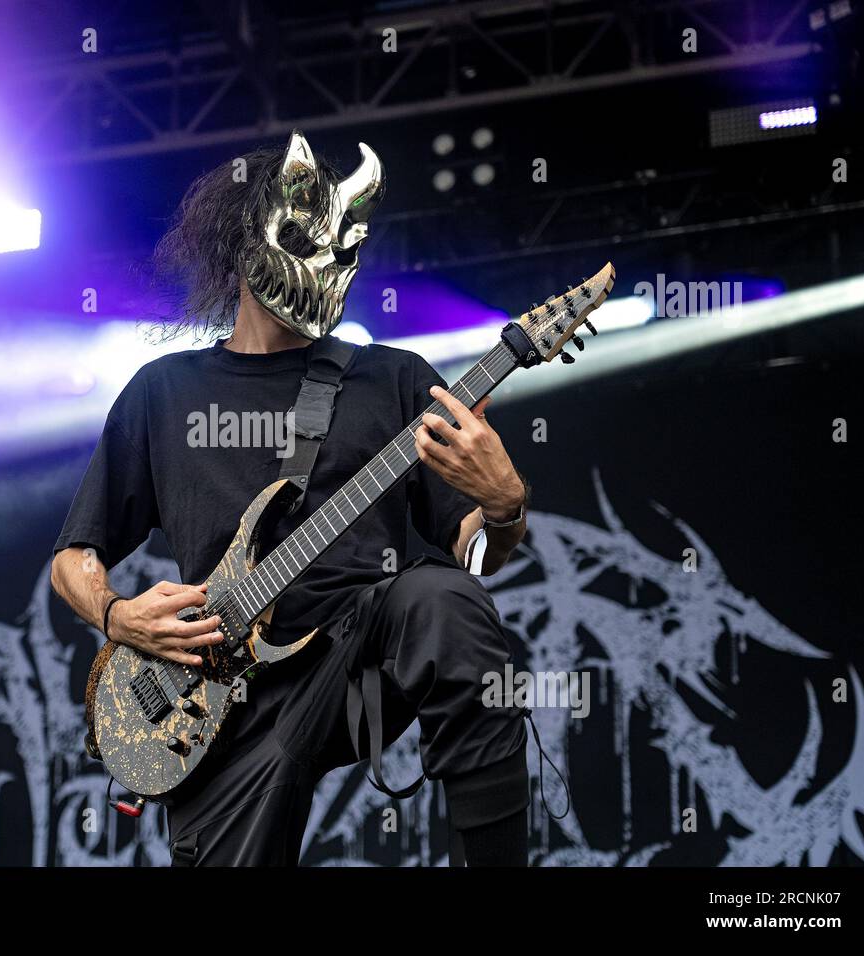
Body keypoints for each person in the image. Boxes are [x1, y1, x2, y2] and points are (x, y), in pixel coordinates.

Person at [51, 130, 531, 866]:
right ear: (245, 241)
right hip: (219, 688)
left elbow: (473, 554)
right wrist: (118, 617)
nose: (326, 266)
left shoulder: (394, 378)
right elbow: (73, 557)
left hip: (359, 651)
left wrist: (503, 508)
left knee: (442, 601)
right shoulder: (163, 392)